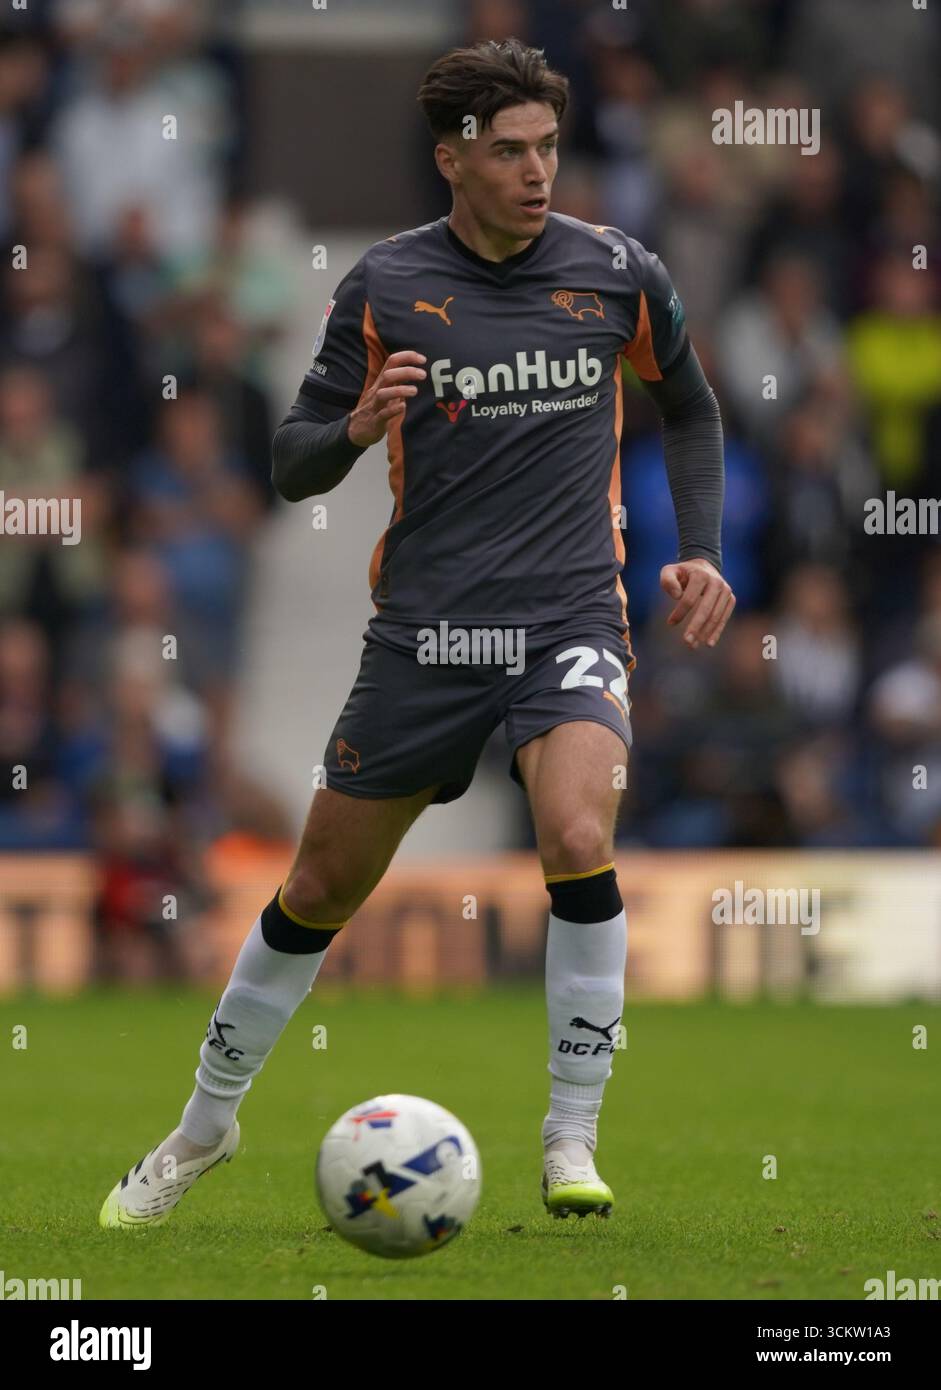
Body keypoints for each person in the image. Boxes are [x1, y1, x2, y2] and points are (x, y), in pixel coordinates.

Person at [100, 37, 734, 1231]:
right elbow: (287, 464)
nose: (537, 172)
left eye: (547, 147)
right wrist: (351, 428)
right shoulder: (385, 287)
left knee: (578, 828)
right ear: (452, 160)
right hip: (425, 637)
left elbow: (690, 403)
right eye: (509, 153)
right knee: (318, 884)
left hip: (568, 618)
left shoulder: (614, 272)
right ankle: (203, 1125)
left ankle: (569, 1133)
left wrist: (698, 545)